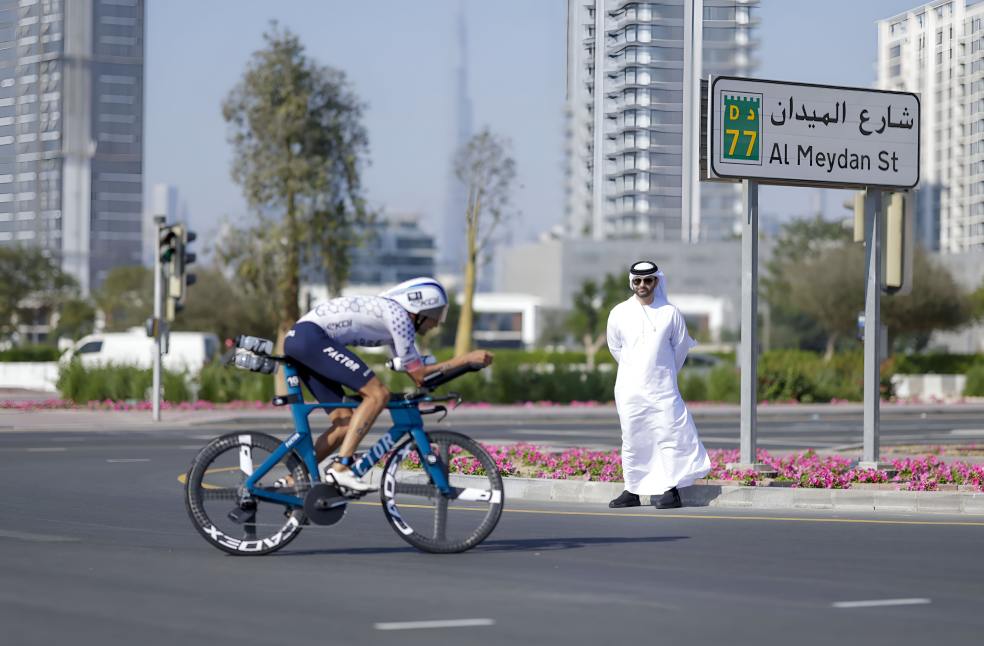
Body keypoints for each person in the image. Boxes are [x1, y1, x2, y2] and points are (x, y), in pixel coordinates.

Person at [283, 277, 493, 492]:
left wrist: (463, 367)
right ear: (419, 309)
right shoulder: (399, 317)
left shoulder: (394, 319)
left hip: (303, 339)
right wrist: (465, 360)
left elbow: (419, 377)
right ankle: (341, 468)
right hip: (312, 338)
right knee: (378, 395)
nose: (438, 322)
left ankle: (293, 480)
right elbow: (421, 374)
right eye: (437, 314)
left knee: (345, 424)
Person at [605, 261, 710, 509]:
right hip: (629, 389)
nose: (643, 285)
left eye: (648, 280)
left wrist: (662, 371)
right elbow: (615, 347)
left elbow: (681, 348)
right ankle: (632, 490)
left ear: (656, 282)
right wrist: (637, 370)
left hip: (663, 388)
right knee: (632, 438)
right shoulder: (619, 312)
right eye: (638, 281)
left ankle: (669, 490)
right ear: (632, 282)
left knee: (669, 436)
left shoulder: (670, 313)